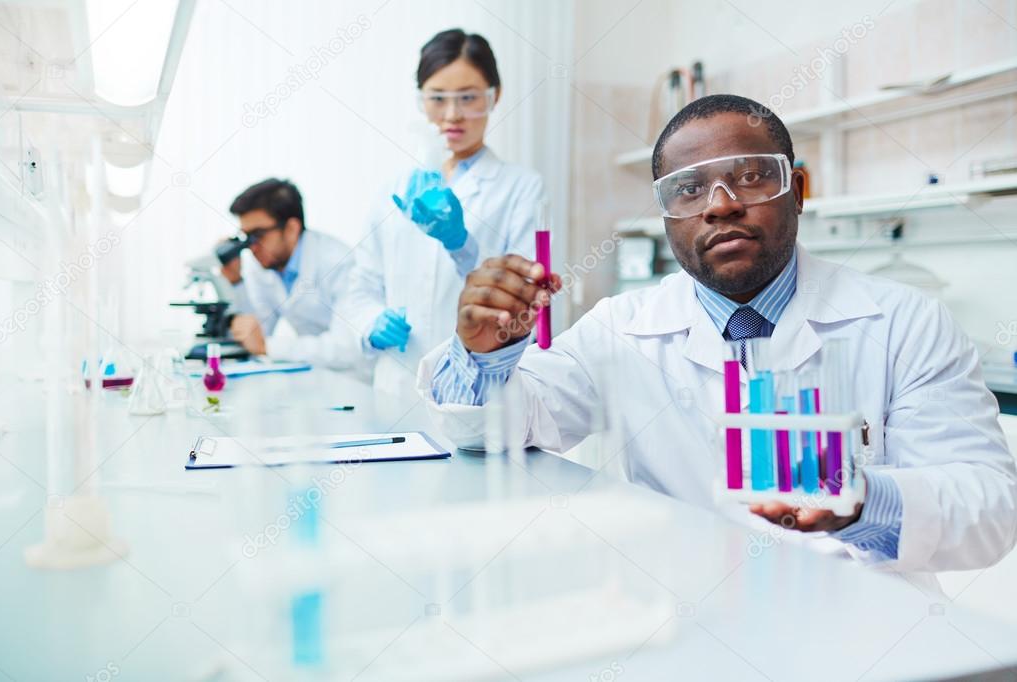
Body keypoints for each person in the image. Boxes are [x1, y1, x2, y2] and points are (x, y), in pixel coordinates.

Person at [418, 94, 1017, 574]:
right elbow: (494, 431)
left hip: (867, 625)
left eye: (750, 177)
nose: (720, 205)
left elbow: (989, 510)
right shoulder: (619, 329)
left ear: (797, 193)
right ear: (667, 217)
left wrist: (859, 504)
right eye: (688, 189)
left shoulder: (906, 322)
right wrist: (484, 356)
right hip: (688, 616)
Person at [338, 28, 544, 394]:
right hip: (396, 384)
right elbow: (360, 288)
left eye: (468, 98)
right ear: (421, 100)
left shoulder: (522, 187)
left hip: (478, 388)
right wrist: (371, 322)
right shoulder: (393, 190)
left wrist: (461, 243)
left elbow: (523, 297)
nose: (452, 115)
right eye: (437, 99)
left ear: (494, 96)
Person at [221, 178, 357, 366]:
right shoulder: (263, 264)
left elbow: (347, 348)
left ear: (292, 228)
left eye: (258, 235)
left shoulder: (338, 262)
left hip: (354, 376)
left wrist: (270, 347)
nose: (251, 247)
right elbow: (257, 332)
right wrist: (236, 282)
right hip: (316, 370)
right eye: (246, 237)